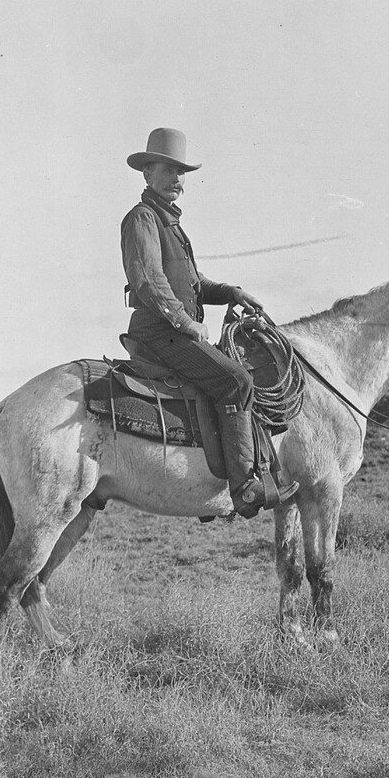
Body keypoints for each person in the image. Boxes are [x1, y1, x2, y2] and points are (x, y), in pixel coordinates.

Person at [119, 127, 298, 517]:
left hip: (173, 331)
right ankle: (245, 487)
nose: (177, 180)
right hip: (160, 333)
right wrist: (187, 323)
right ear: (147, 174)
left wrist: (230, 293)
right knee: (235, 381)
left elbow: (195, 285)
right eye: (167, 170)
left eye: (181, 172)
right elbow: (149, 281)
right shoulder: (143, 219)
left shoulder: (173, 227)